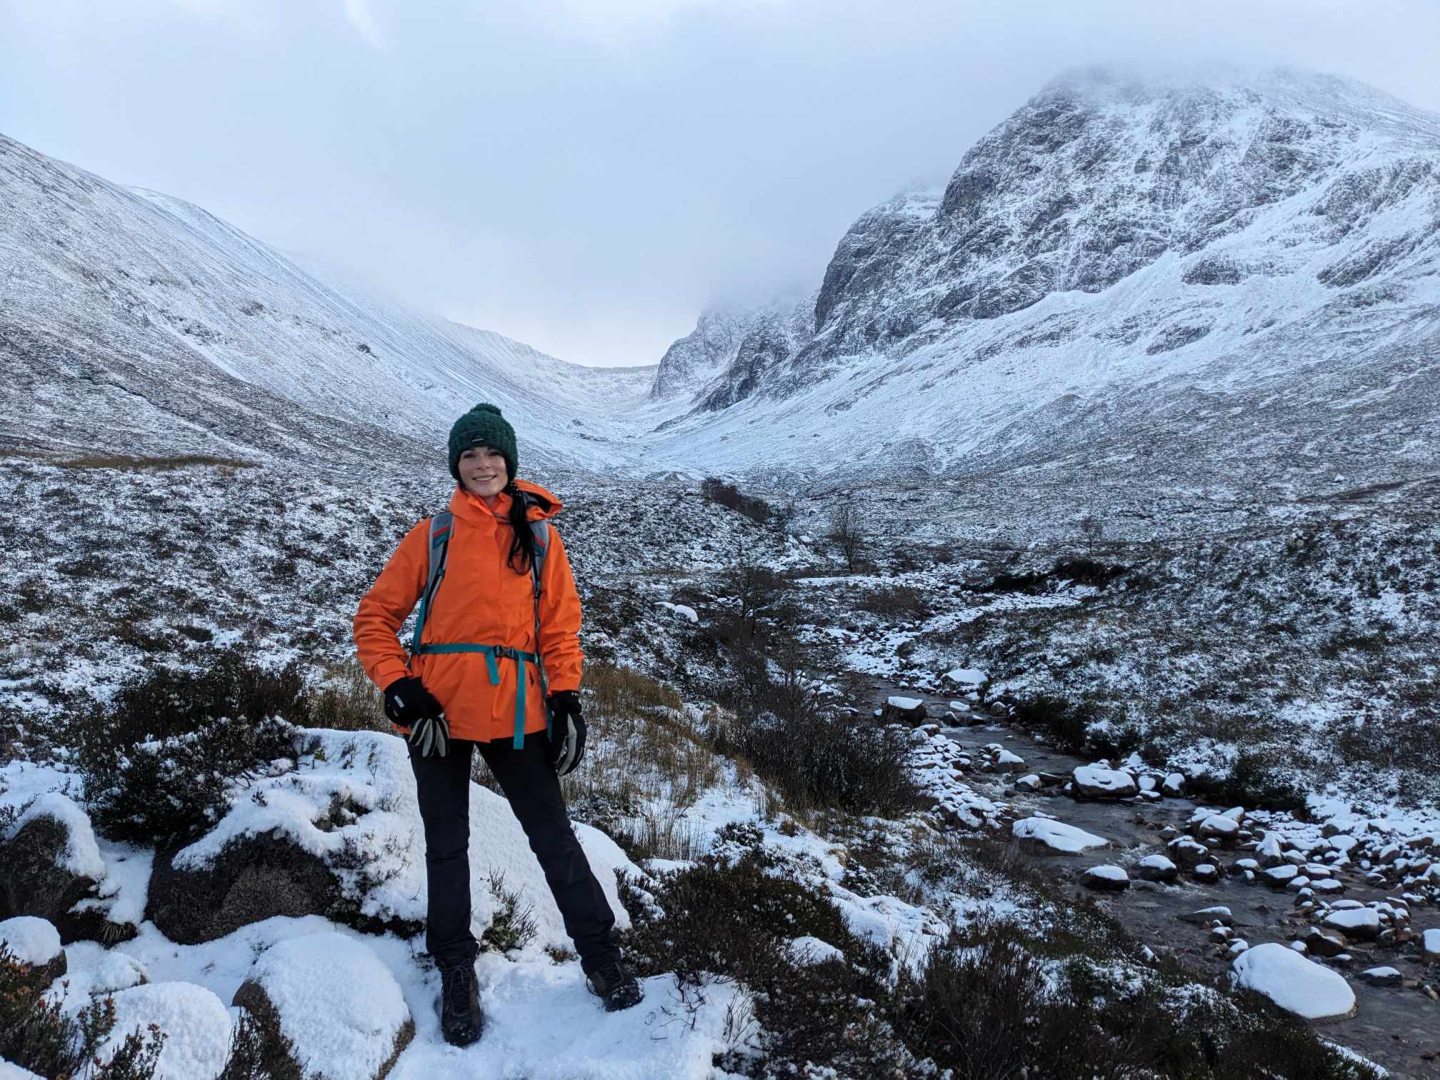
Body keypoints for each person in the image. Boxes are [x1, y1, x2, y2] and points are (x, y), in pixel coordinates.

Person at [353, 402, 642, 1047]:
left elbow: (559, 626)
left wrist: (566, 697)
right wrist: (399, 686)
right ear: (456, 466)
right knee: (446, 845)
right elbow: (375, 617)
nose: (482, 465)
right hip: (439, 715)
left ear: (510, 463)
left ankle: (602, 957)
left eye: (492, 454)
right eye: (469, 455)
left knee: (554, 837)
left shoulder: (539, 536)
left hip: (519, 712)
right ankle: (457, 968)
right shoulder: (433, 534)